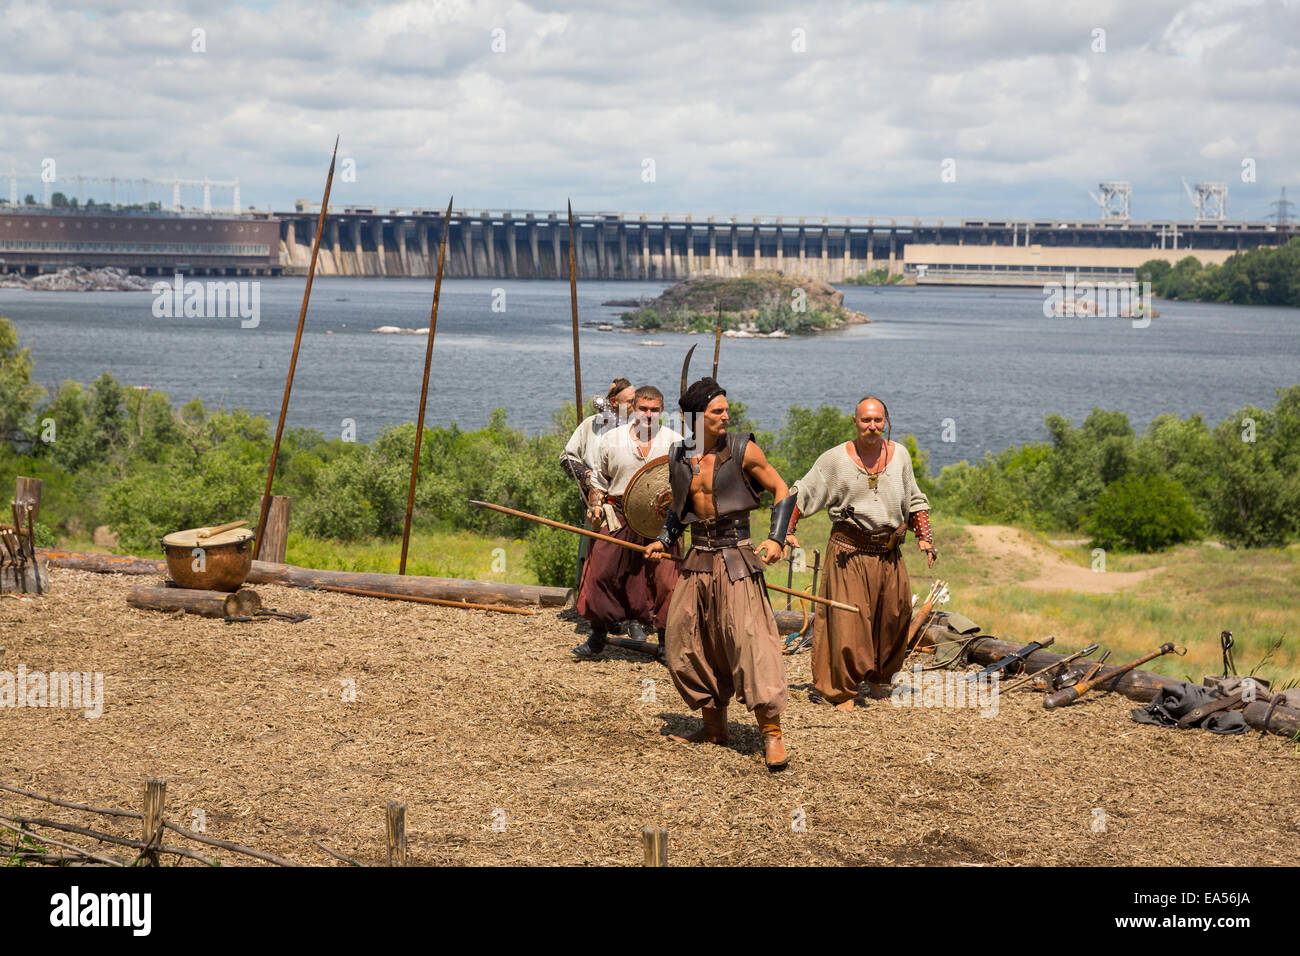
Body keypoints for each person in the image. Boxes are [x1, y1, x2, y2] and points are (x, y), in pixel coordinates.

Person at [646, 378, 797, 771]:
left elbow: (784, 489)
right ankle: (714, 724)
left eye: (726, 409)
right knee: (684, 638)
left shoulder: (743, 449)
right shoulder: (678, 454)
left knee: (750, 642)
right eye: (717, 411)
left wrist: (777, 539)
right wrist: (663, 540)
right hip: (697, 558)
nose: (726, 416)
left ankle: (772, 734)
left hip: (737, 558)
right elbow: (679, 511)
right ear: (694, 417)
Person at [789, 396, 937, 711]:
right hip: (849, 552)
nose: (872, 426)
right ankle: (840, 689)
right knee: (847, 619)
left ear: (886, 422)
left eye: (877, 421)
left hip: (889, 553)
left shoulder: (900, 456)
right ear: (855, 421)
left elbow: (914, 498)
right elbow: (802, 492)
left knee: (893, 617)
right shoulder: (835, 460)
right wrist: (786, 532)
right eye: (866, 420)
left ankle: (878, 679)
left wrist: (924, 536)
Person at [573, 386, 683, 659]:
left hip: (661, 521)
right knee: (600, 573)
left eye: (654, 410)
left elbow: (686, 486)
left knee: (666, 582)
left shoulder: (675, 442)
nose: (648, 415)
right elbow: (599, 481)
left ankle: (665, 644)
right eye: (643, 408)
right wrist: (596, 506)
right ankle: (598, 635)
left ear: (661, 411)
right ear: (633, 409)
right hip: (619, 515)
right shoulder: (612, 439)